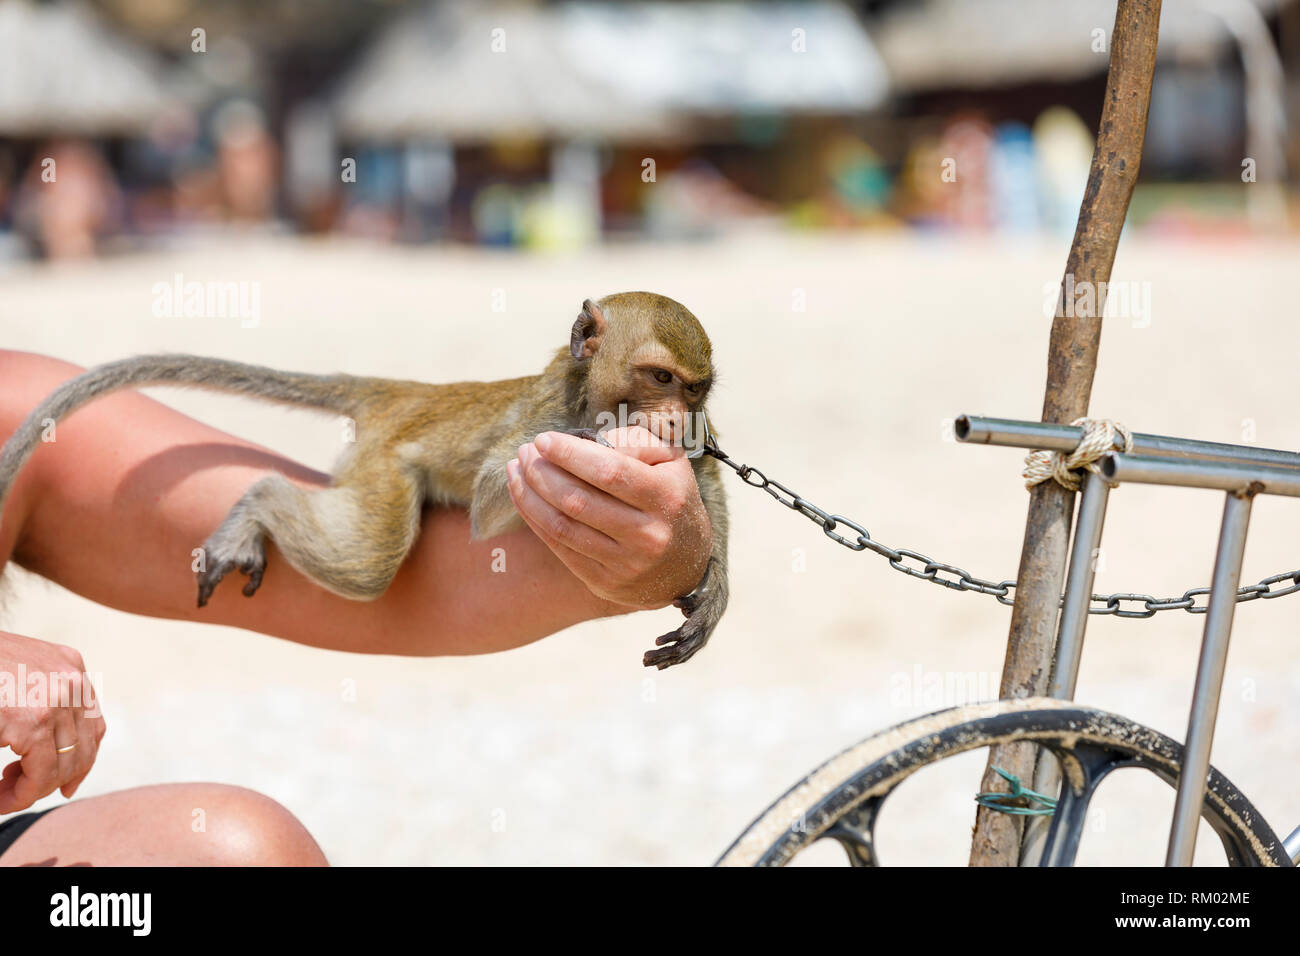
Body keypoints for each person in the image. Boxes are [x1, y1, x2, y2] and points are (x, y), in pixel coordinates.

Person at [0, 350, 714, 865]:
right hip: (415, 442)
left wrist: (662, 558)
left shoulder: (18, 410)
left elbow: (409, 589)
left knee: (240, 854)